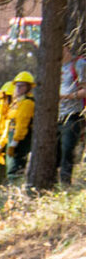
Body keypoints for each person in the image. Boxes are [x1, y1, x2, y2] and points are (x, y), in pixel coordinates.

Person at [58, 47, 86, 185]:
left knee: (68, 148)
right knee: (54, 150)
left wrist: (66, 97)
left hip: (73, 114)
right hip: (55, 115)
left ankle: (65, 183)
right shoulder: (53, 66)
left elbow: (85, 90)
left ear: (67, 48)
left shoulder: (79, 64)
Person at [6, 71, 35, 181]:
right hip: (13, 135)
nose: (18, 88)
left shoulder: (27, 103)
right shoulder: (18, 102)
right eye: (17, 86)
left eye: (21, 86)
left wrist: (15, 142)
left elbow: (22, 124)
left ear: (28, 87)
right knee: (11, 167)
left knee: (15, 169)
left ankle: (14, 193)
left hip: (20, 139)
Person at [0, 81, 15, 190]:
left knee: (3, 167)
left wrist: (0, 145)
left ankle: (4, 188)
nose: (3, 101)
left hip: (5, 142)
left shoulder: (12, 113)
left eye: (6, 98)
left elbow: (6, 131)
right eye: (3, 98)